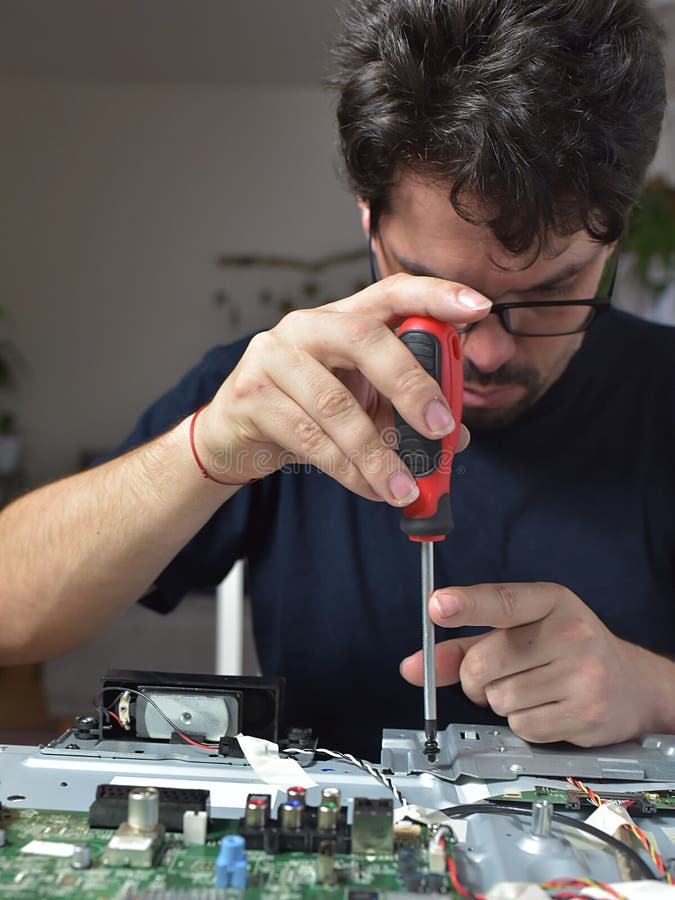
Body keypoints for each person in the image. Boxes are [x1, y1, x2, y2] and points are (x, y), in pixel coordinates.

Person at [1, 0, 673, 761]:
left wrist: (654, 690)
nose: (484, 354)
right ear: (368, 220)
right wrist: (206, 452)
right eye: (436, 292)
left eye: (549, 294)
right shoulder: (269, 391)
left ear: (614, 235)